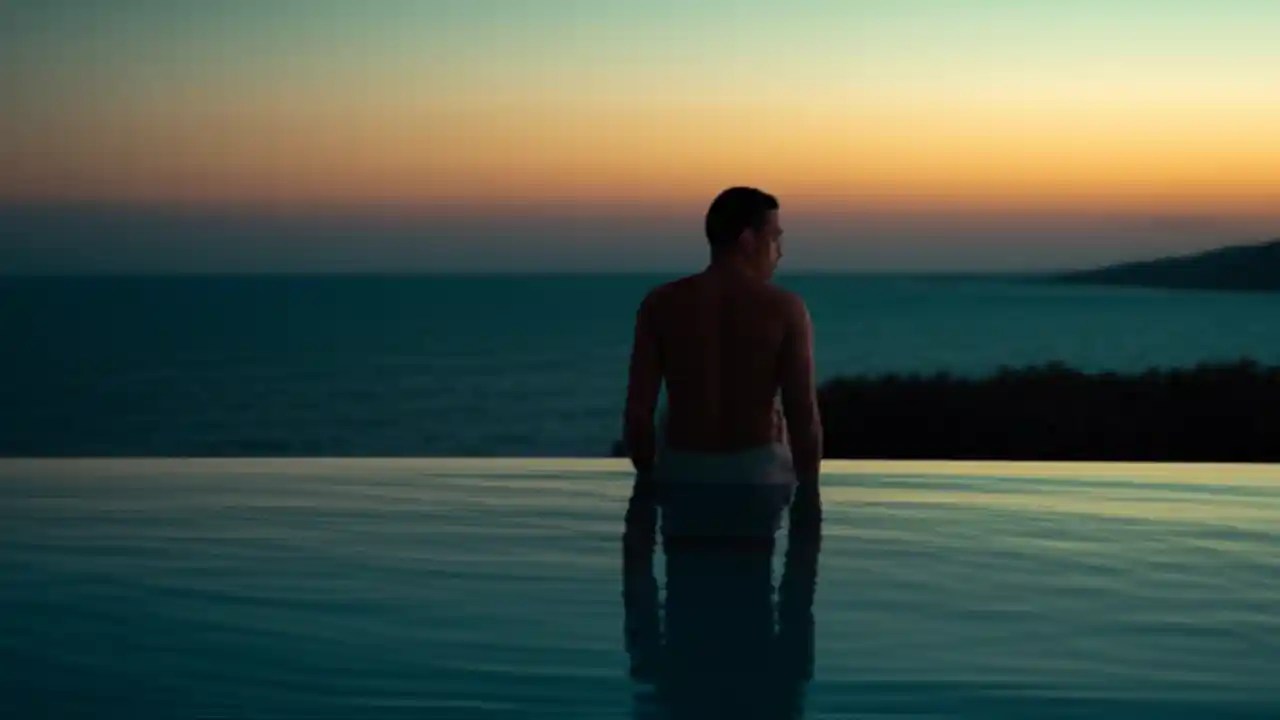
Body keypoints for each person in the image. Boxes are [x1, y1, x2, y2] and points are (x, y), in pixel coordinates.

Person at [623, 186, 823, 539]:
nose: (780, 253)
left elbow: (638, 415)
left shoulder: (660, 304)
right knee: (752, 584)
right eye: (774, 239)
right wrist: (809, 499)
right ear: (748, 239)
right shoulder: (785, 309)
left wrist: (650, 482)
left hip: (681, 470)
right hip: (758, 473)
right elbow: (803, 415)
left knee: (685, 584)